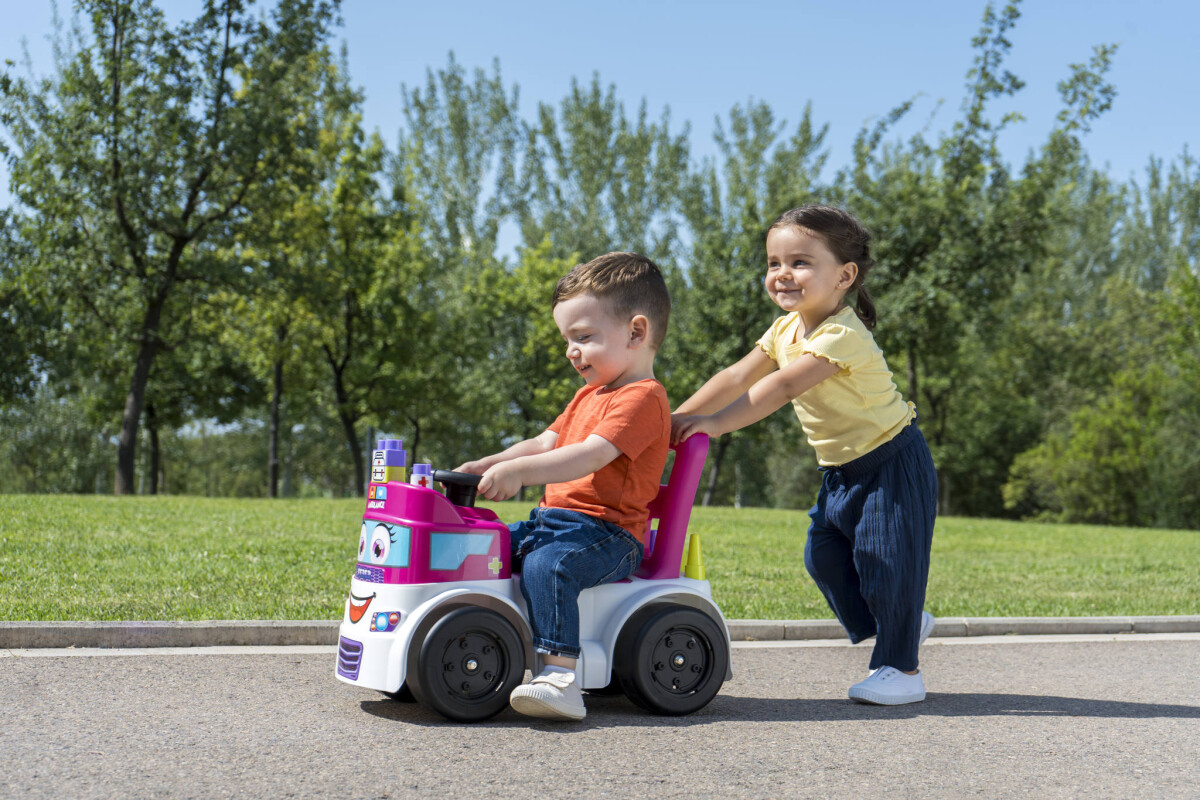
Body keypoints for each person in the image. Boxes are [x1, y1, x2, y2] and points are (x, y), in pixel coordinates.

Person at [671, 205, 938, 705]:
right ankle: (899, 624)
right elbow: (735, 377)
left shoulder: (843, 334)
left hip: (891, 465)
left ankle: (901, 668)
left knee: (887, 567)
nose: (782, 274)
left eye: (799, 262)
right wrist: (672, 421)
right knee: (822, 557)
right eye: (774, 263)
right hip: (840, 471)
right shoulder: (785, 329)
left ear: (845, 275)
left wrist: (712, 426)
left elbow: (778, 388)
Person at [456, 251, 672, 721]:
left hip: (609, 534)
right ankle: (468, 642)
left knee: (549, 567)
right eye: (567, 339)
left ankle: (559, 678)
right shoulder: (587, 395)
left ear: (636, 332)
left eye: (583, 337)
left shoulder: (644, 399)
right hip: (551, 523)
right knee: (479, 547)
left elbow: (591, 454)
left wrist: (520, 475)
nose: (570, 351)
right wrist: (490, 463)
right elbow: (543, 441)